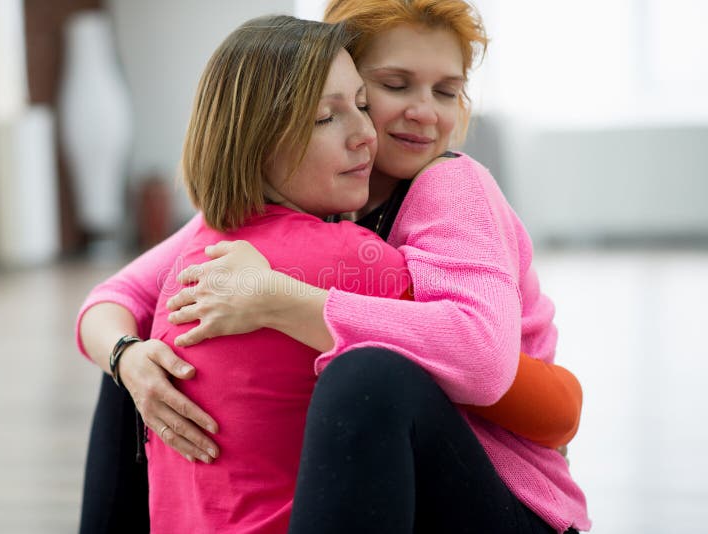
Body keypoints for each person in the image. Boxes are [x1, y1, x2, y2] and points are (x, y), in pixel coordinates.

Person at [75, 4, 587, 534]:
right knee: (144, 369)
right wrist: (128, 361)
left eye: (446, 91)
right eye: (394, 86)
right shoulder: (305, 198)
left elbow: (483, 357)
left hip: (495, 500)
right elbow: (114, 298)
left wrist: (283, 300)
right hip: (385, 485)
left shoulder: (452, 185)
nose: (425, 113)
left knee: (368, 374)